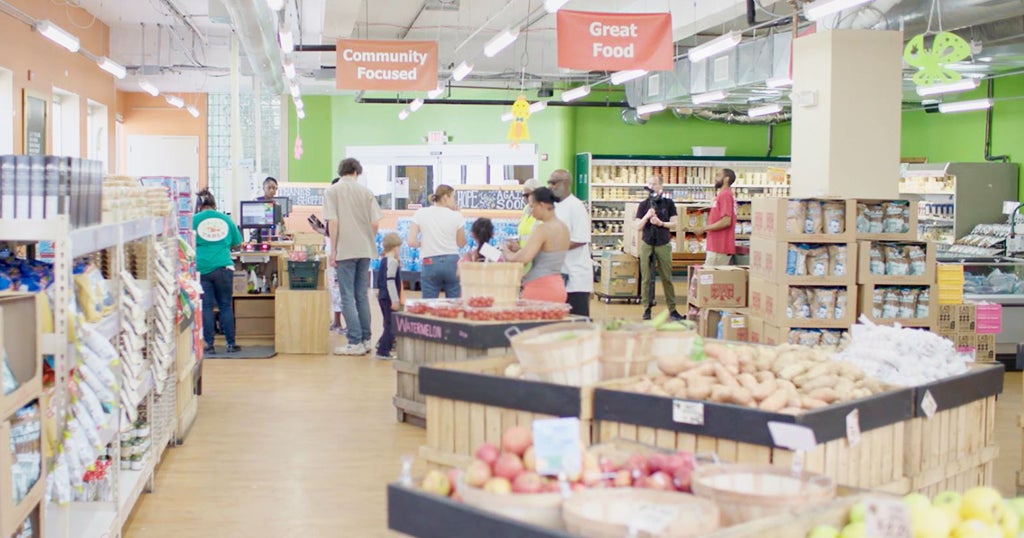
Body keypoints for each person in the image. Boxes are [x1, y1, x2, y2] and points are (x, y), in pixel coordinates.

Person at [324, 158, 382, 356]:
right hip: (364, 250)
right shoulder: (366, 192)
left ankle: (354, 341)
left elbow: (333, 222)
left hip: (345, 250)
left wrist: (333, 252)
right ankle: (366, 340)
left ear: (341, 171)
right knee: (362, 295)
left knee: (347, 296)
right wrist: (366, 239)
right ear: (357, 172)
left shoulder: (333, 191)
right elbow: (375, 224)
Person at [193, 189, 243, 354]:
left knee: (206, 306)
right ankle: (230, 344)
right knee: (225, 305)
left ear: (199, 206)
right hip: (223, 267)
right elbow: (237, 242)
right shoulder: (225, 219)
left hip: (202, 268)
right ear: (214, 205)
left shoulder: (194, 220)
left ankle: (209, 345)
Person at [501, 187, 568, 303]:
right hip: (558, 286)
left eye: (532, 206)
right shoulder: (563, 227)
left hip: (540, 288)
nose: (530, 212)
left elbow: (524, 258)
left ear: (541, 205)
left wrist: (506, 252)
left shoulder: (542, 229)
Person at [636, 176, 685, 321]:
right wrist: (647, 217)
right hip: (647, 243)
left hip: (663, 243)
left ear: (661, 186)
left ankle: (672, 309)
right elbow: (638, 226)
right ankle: (646, 308)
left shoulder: (668, 203)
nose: (651, 186)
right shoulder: (643, 205)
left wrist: (661, 223)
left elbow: (675, 224)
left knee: (667, 278)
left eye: (655, 184)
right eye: (649, 183)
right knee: (646, 278)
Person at [547, 170, 593, 317]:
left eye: (553, 183)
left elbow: (580, 239)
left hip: (576, 278)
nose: (550, 186)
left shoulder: (576, 206)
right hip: (559, 276)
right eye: (548, 182)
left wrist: (553, 246)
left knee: (577, 321)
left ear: (565, 183)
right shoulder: (554, 207)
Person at [408, 185, 466, 299]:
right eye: (453, 197)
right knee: (453, 304)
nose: (454, 201)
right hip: (452, 262)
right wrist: (458, 215)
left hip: (430, 262)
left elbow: (411, 241)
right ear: (445, 197)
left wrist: (424, 243)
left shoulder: (420, 213)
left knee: (429, 305)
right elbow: (461, 243)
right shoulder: (456, 216)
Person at [312, 178, 345, 334]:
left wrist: (319, 230)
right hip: (334, 252)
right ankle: (337, 321)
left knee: (340, 289)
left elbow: (335, 233)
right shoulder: (335, 208)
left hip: (337, 254)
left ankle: (345, 323)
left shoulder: (339, 210)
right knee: (335, 289)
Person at [697, 168, 737, 266]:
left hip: (719, 247)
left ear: (726, 179)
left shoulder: (725, 195)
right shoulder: (723, 195)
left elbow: (726, 221)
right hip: (717, 247)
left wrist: (704, 228)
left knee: (710, 278)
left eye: (718, 175)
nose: (715, 178)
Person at [374, 233, 403, 360]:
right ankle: (383, 350)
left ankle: (382, 343)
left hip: (383, 296)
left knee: (387, 322)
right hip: (389, 297)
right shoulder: (393, 262)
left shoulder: (383, 260)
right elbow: (390, 281)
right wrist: (395, 300)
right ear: (395, 247)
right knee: (392, 325)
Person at [518, 178, 541, 246]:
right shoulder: (526, 209)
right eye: (524, 195)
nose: (525, 198)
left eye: (527, 195)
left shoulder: (542, 211)